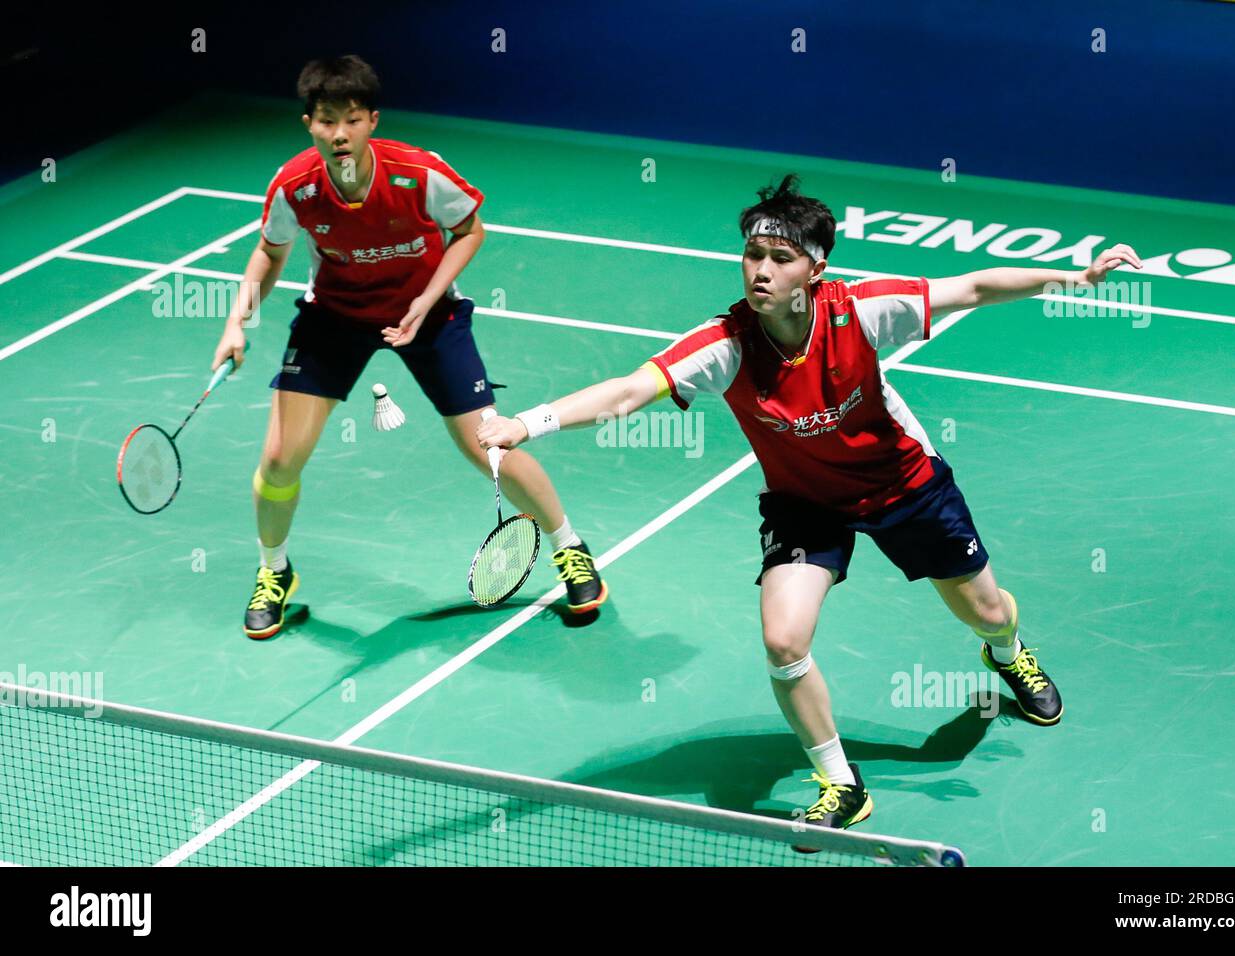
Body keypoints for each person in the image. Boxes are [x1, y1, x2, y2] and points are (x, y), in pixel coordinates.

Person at [477, 174, 1142, 838]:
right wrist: (528, 424)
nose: (760, 271)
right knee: (783, 638)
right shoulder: (726, 344)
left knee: (988, 612)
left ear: (816, 268)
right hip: (804, 503)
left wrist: (1076, 279)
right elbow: (627, 392)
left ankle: (1006, 652)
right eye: (751, 255)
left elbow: (971, 288)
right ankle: (840, 783)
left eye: (780, 258)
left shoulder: (862, 310)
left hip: (903, 484)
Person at [211, 55, 607, 640]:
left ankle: (570, 547)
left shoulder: (418, 174)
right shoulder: (295, 186)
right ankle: (276, 571)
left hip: (430, 312)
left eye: (351, 119)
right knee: (278, 460)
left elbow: (470, 230)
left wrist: (426, 298)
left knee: (488, 446)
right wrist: (237, 321)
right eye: (325, 121)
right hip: (335, 317)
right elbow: (270, 252)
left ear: (372, 119)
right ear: (308, 124)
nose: (339, 134)